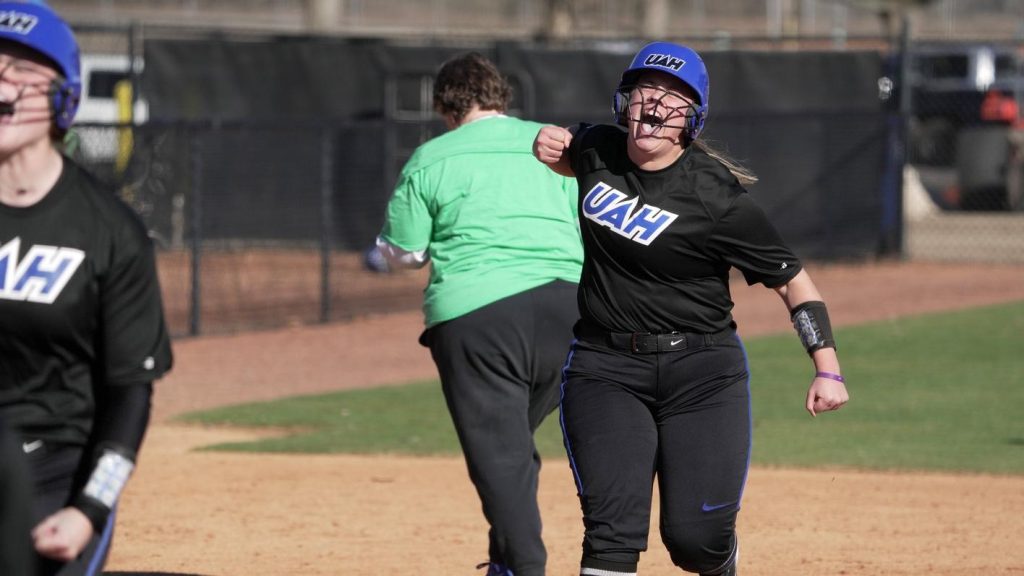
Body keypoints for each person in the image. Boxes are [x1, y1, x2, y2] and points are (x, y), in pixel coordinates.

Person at [532, 41, 850, 576]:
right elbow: (570, 156)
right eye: (645, 92)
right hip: (604, 369)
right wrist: (552, 146)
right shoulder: (596, 149)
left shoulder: (717, 199)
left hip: (702, 375)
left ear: (692, 120)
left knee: (695, 540)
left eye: (674, 98)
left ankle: (719, 557)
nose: (654, 106)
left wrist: (828, 368)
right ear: (624, 102)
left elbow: (795, 284)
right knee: (611, 535)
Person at [365, 51, 584, 576]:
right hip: (570, 311)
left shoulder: (432, 157)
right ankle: (506, 563)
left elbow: (405, 252)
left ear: (446, 107)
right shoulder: (553, 144)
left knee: (501, 457)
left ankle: (524, 566)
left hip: (478, 315)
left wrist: (385, 251)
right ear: (501, 97)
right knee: (512, 449)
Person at [0, 2, 174, 575]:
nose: (5, 83)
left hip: (58, 475)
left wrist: (90, 508)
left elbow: (130, 393)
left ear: (63, 97)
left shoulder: (108, 231)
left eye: (24, 70)